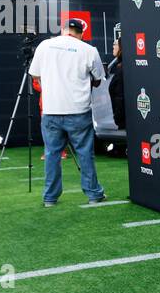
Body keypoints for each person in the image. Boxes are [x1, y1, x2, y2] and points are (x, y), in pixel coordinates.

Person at [27, 17, 106, 206]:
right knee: (85, 153)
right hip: (78, 109)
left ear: (63, 30)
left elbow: (35, 75)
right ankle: (94, 194)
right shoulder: (88, 50)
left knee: (52, 154)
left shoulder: (44, 45)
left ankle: (50, 198)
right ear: (80, 33)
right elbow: (98, 79)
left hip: (51, 108)